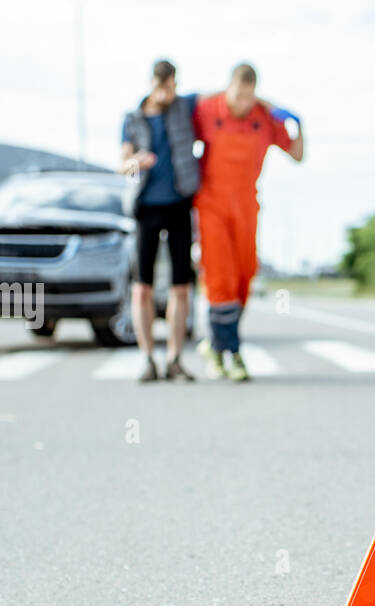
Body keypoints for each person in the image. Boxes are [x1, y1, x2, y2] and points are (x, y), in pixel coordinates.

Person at [192, 63, 305, 382]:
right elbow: (186, 105)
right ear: (228, 88)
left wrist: (298, 125)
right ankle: (232, 353)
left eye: (248, 98)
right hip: (211, 204)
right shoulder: (208, 109)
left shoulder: (263, 118)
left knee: (244, 275)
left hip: (246, 206)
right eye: (237, 96)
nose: (242, 104)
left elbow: (297, 155)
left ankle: (216, 346)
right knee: (221, 278)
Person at [120, 59, 198, 382]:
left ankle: (175, 359)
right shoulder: (132, 119)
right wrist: (138, 162)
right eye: (162, 88)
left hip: (179, 205)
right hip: (146, 208)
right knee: (143, 289)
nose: (167, 95)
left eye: (172, 88)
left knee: (181, 288)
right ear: (152, 84)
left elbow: (220, 94)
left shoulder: (184, 108)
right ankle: (148, 359)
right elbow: (123, 166)